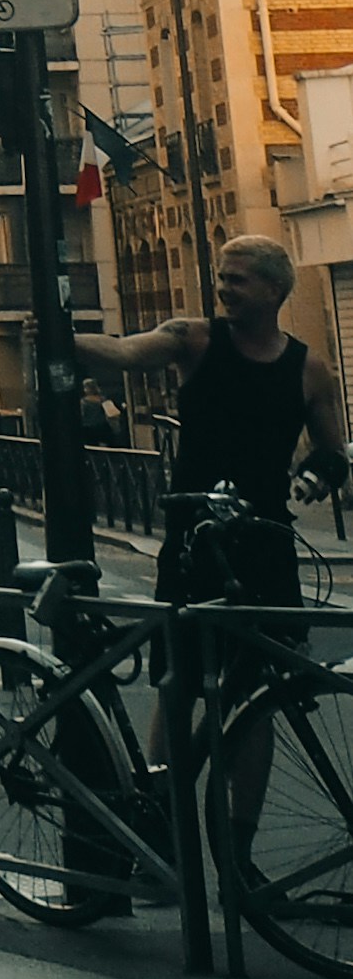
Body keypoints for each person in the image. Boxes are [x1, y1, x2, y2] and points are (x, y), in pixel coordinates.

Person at [77, 235, 349, 815]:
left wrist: (314, 477)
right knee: (178, 686)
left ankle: (237, 853)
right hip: (194, 539)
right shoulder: (195, 339)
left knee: (256, 699)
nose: (224, 287)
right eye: (222, 276)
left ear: (274, 289)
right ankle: (163, 818)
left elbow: (334, 453)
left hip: (265, 543)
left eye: (239, 279)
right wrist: (61, 338)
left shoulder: (309, 369)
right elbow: (126, 353)